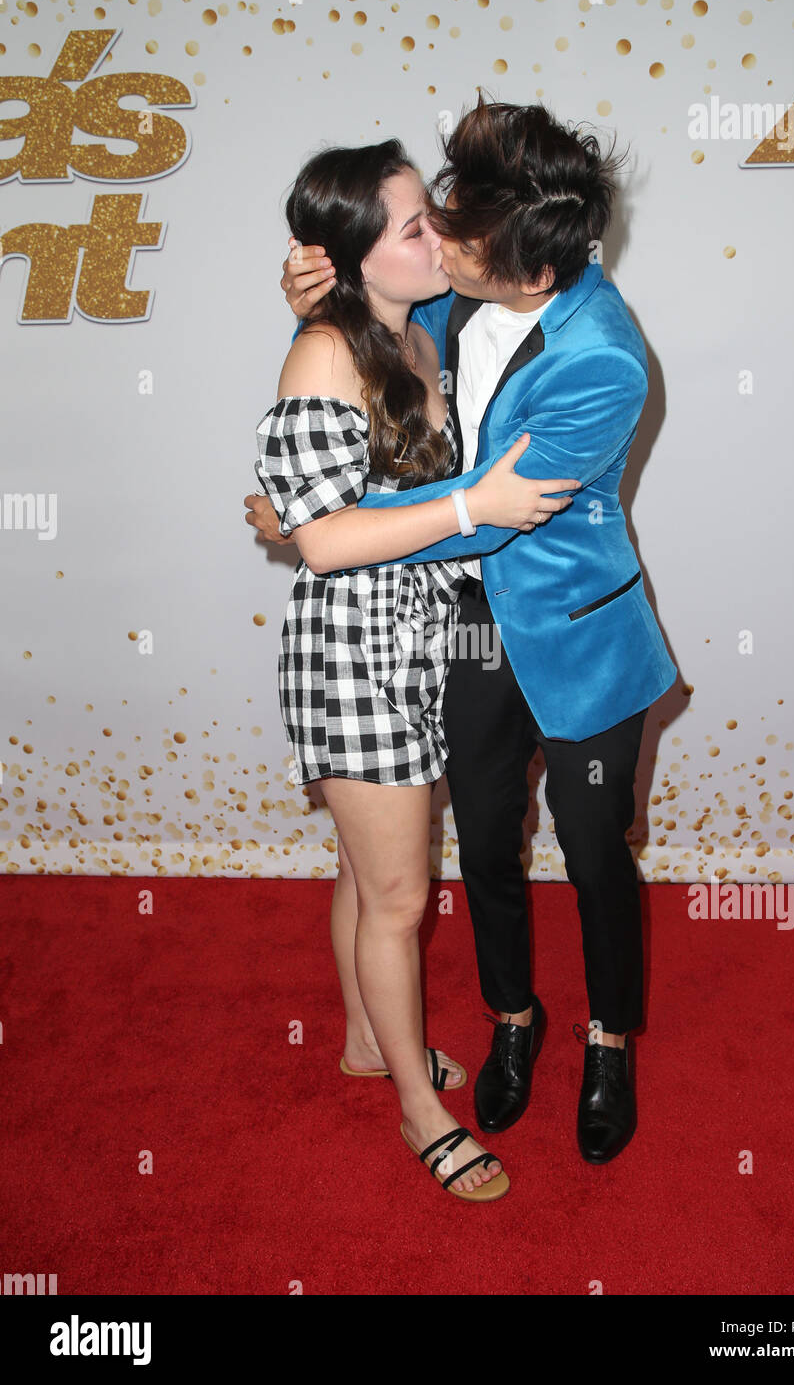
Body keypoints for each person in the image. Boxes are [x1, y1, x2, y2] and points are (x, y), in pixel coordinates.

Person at [260, 96, 678, 1166]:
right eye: (431, 220)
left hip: (574, 636)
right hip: (455, 639)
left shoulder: (604, 359)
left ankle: (607, 1036)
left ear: (527, 265)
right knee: (485, 847)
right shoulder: (448, 299)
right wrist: (330, 291)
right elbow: (363, 362)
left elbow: (484, 517)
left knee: (594, 858)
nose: (440, 238)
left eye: (457, 235)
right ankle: (513, 1017)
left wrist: (321, 529)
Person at [246, 138, 581, 1200]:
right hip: (353, 652)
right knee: (401, 897)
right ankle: (417, 1107)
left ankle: (360, 1039)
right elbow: (326, 540)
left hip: (421, 640)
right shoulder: (325, 353)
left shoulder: (422, 335)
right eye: (411, 227)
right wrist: (473, 508)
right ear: (351, 262)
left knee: (365, 871)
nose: (438, 234)